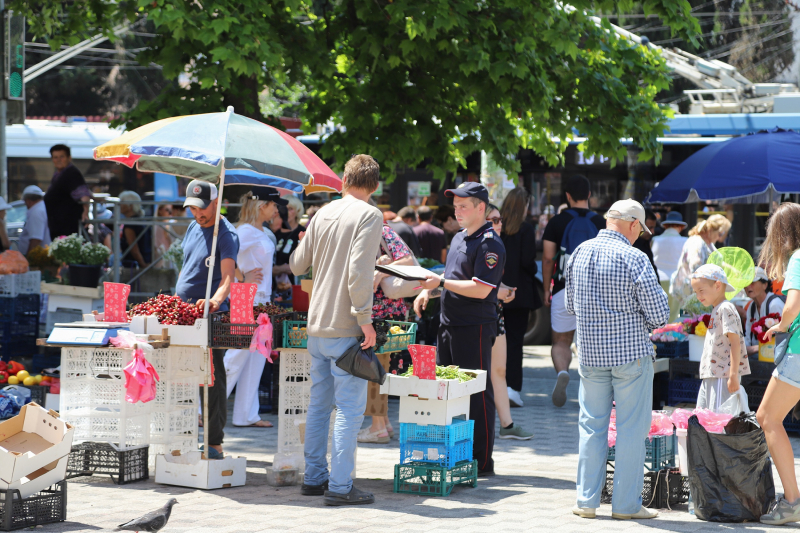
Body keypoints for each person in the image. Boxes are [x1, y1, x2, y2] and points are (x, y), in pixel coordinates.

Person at [290, 154, 383, 506]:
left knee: (319, 405)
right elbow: (360, 272)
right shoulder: (370, 215)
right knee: (348, 409)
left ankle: (314, 477)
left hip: (317, 327)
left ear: (343, 180)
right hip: (345, 328)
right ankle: (341, 487)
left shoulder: (321, 213)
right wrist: (365, 319)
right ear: (374, 186)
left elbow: (297, 264)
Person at [567, 199, 669, 521]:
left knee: (591, 427)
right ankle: (625, 506)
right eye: (641, 230)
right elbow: (659, 314)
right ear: (633, 224)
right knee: (630, 430)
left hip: (590, 354)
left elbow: (571, 306)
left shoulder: (578, 253)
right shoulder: (635, 257)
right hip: (629, 356)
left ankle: (586, 501)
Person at [414, 182, 506, 476]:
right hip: (448, 324)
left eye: (464, 206)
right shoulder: (458, 238)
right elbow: (455, 280)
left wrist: (439, 282)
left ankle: (481, 461)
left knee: (476, 394)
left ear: (482, 208)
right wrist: (431, 291)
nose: (457, 211)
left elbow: (480, 290)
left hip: (474, 327)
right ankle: (455, 454)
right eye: (455, 206)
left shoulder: (490, 243)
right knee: (450, 392)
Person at [175, 180, 239, 459]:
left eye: (202, 209)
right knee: (182, 374)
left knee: (212, 377)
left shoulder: (226, 235)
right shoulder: (192, 226)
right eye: (192, 208)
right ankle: (183, 434)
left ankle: (214, 442)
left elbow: (228, 279)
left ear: (216, 202)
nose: (198, 214)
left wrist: (215, 300)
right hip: (184, 312)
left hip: (211, 316)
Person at [223, 188, 285, 429]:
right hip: (245, 297)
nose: (277, 209)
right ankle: (202, 409)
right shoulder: (245, 231)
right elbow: (225, 255)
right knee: (237, 356)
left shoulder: (260, 231)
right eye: (274, 205)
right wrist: (242, 277)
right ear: (262, 206)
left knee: (256, 357)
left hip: (262, 299)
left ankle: (246, 415)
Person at [541, 175, 604, 407]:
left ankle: (561, 372)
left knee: (561, 341)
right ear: (589, 195)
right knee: (594, 342)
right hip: (596, 292)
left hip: (563, 288)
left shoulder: (556, 222)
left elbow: (548, 258)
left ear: (567, 196)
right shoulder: (600, 222)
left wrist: (547, 288)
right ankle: (593, 388)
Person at [757, 203, 800, 525]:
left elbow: (793, 307)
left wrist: (780, 326)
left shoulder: (798, 257)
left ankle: (793, 500)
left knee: (768, 417)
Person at [358, 224, 414, 444]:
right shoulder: (370, 231)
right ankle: (383, 423)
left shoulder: (381, 231)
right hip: (382, 312)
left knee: (374, 370)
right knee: (379, 369)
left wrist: (380, 271)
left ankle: (377, 427)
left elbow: (407, 260)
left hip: (381, 313)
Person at [485, 203, 533, 440]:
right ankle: (486, 426)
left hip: (494, 313)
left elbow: (488, 284)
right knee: (479, 374)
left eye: (500, 220)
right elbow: (468, 285)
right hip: (477, 316)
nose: (499, 224)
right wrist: (497, 292)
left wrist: (502, 290)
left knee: (500, 371)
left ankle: (507, 424)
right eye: (493, 220)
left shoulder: (497, 244)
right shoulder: (478, 244)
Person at [499, 187, 541, 408]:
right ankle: (512, 389)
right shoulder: (525, 229)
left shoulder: (497, 226)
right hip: (519, 294)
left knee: (495, 341)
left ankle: (493, 387)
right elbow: (527, 261)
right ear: (523, 205)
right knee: (515, 342)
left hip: (496, 292)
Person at [690, 264, 749, 411]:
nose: (698, 296)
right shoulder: (718, 309)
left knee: (719, 420)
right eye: (696, 292)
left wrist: (733, 375)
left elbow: (735, 342)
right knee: (709, 417)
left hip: (723, 376)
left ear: (717, 285)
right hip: (714, 375)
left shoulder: (725, 308)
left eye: (701, 290)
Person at [669, 214, 731, 307]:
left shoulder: (705, 242)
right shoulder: (697, 241)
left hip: (696, 292)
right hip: (692, 293)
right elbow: (696, 267)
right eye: (720, 234)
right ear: (710, 231)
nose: (719, 238)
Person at [44, 144, 92, 238]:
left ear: (69, 158)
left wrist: (86, 211)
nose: (58, 160)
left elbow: (83, 193)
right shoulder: (58, 174)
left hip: (68, 229)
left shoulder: (72, 173)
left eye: (61, 157)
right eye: (55, 157)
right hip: (58, 227)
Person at [743, 267, 786, 355]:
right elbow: (748, 338)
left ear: (765, 285)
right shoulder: (751, 306)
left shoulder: (774, 304)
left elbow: (783, 339)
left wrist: (756, 348)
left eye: (753, 282)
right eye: (746, 283)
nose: (748, 286)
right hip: (758, 356)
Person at [118, 191, 152, 268]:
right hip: (145, 262)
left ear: (130, 206)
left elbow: (134, 249)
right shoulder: (141, 220)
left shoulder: (130, 225)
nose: (119, 204)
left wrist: (143, 264)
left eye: (122, 202)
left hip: (133, 266)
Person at [651, 212, 688, 282]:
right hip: (677, 280)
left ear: (665, 226)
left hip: (657, 278)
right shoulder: (685, 241)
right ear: (681, 227)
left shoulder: (655, 239)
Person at [274, 195, 306, 269]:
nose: (286, 212)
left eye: (290, 209)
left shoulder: (303, 233)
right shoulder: (274, 232)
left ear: (298, 211)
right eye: (284, 208)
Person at [19, 186, 50, 256]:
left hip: (38, 259)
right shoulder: (41, 208)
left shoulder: (36, 211)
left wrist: (29, 259)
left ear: (28, 201)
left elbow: (36, 239)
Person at [632, 209, 659, 281]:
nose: (652, 232)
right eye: (650, 228)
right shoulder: (631, 246)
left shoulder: (645, 242)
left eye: (653, 228)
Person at [154, 204, 175, 268]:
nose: (169, 213)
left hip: (165, 256)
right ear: (160, 211)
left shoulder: (166, 225)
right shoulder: (161, 226)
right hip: (162, 256)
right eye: (167, 210)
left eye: (171, 211)